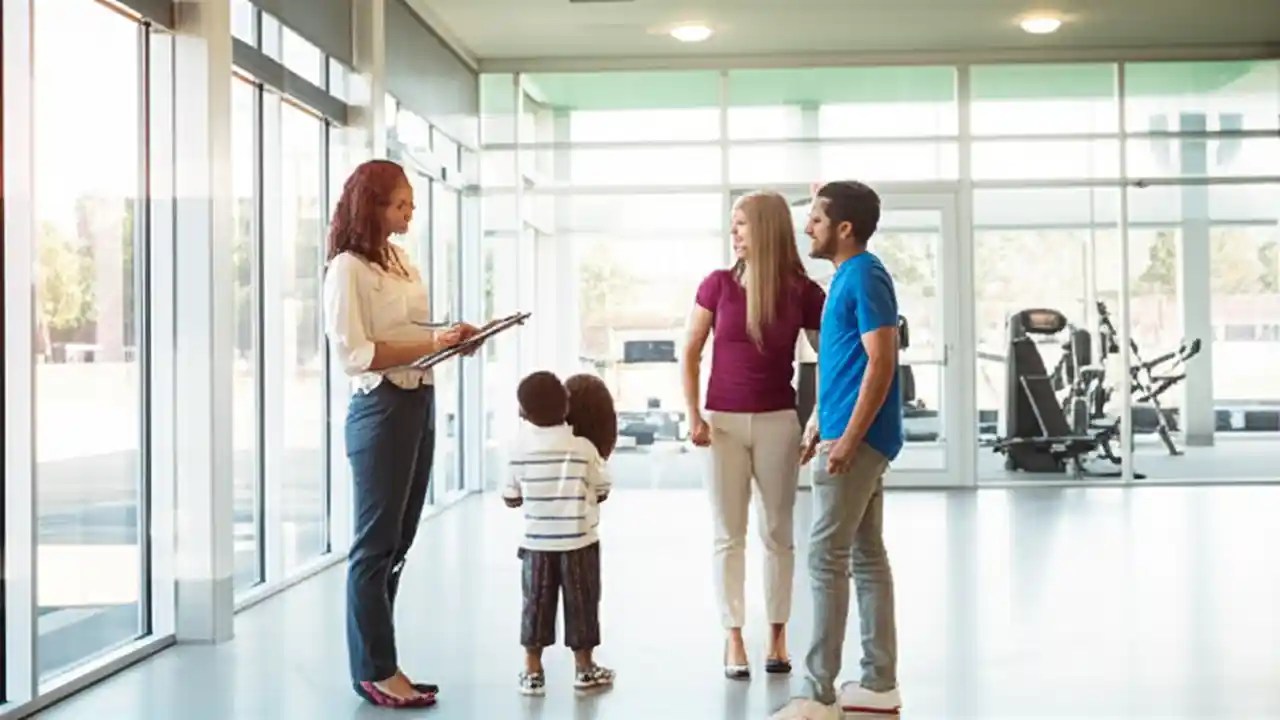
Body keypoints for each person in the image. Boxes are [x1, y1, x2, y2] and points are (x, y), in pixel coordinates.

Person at [323, 159, 481, 709]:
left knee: (400, 540)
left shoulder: (398, 260)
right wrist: (431, 340)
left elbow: (412, 335)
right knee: (375, 545)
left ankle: (383, 661)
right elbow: (357, 353)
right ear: (372, 205)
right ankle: (375, 669)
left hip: (419, 398)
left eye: (411, 203)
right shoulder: (347, 269)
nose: (409, 211)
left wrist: (451, 341)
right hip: (381, 408)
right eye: (400, 204)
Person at [771, 181, 905, 720]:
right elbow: (845, 362)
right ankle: (877, 684)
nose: (808, 227)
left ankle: (818, 694)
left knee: (826, 559)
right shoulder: (847, 278)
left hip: (858, 441)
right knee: (867, 557)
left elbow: (881, 360)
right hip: (847, 432)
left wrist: (847, 438)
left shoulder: (865, 275)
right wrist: (821, 421)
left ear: (844, 228)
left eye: (817, 219)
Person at [682, 190, 826, 679]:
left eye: (741, 224)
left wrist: (819, 415)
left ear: (765, 228)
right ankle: (734, 638)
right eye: (731, 224)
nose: (734, 232)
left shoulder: (802, 291)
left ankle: (778, 637)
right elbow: (690, 352)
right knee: (729, 535)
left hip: (777, 423)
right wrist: (693, 415)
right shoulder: (717, 285)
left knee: (778, 533)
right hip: (721, 423)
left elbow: (834, 358)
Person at [503, 371, 616, 696]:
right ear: (566, 405)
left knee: (536, 604)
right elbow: (603, 488)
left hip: (537, 544)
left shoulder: (518, 449)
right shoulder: (583, 448)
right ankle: (584, 668)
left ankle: (532, 670)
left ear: (523, 412)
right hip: (580, 541)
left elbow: (510, 496)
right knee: (582, 603)